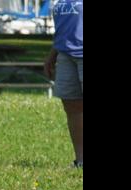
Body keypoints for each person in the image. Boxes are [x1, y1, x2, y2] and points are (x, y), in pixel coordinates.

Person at [43, 0, 81, 168]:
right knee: (72, 106)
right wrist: (52, 55)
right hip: (65, 54)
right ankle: (81, 160)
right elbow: (64, 29)